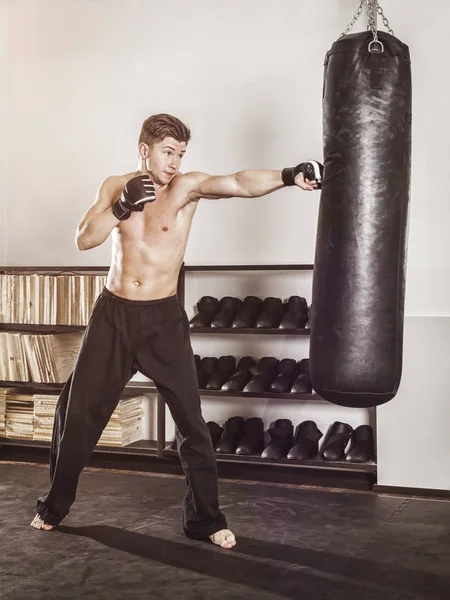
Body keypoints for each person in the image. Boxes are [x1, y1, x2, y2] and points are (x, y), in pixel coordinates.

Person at [31, 113, 322, 549]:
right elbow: (84, 239)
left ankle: (204, 519)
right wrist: (120, 207)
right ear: (144, 149)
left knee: (191, 424)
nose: (174, 162)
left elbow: (240, 183)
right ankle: (53, 507)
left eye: (181, 153)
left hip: (163, 321)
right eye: (168, 152)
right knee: (75, 416)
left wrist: (287, 175)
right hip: (113, 316)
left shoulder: (185, 189)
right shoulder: (116, 186)